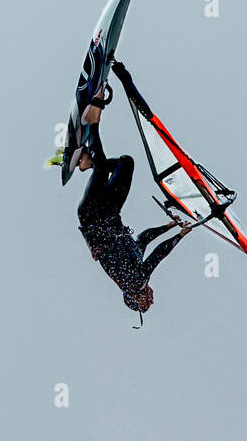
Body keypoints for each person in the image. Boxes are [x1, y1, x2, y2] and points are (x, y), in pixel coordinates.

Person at [70, 60, 188, 325]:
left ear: (137, 297)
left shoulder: (134, 282)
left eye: (148, 302)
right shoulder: (132, 267)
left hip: (92, 217)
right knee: (126, 163)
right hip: (111, 213)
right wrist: (169, 225)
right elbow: (145, 240)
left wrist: (179, 235)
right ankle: (87, 162)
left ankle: (94, 122)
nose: (152, 298)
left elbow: (158, 255)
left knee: (103, 171)